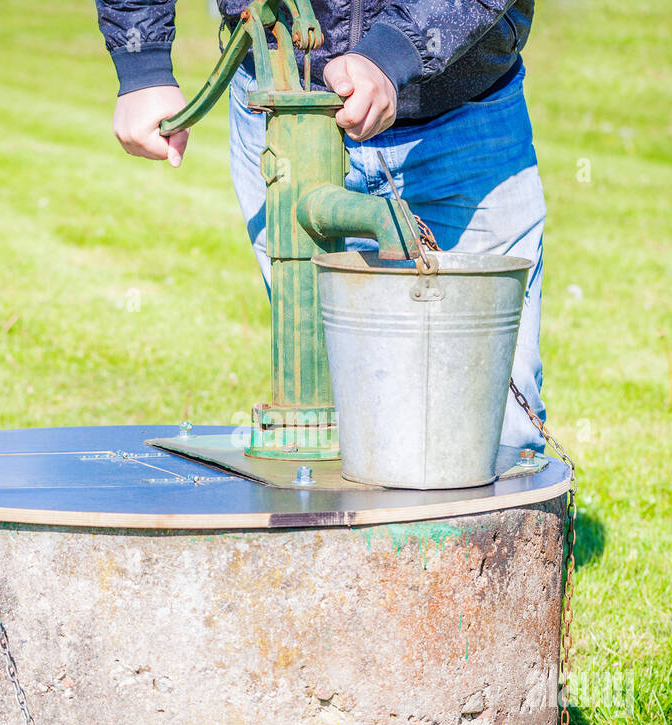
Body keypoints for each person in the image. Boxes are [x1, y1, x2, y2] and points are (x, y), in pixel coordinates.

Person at [95, 0, 546, 450]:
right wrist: (142, 56)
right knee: (334, 416)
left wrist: (396, 50)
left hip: (462, 111)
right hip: (283, 106)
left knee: (494, 430)